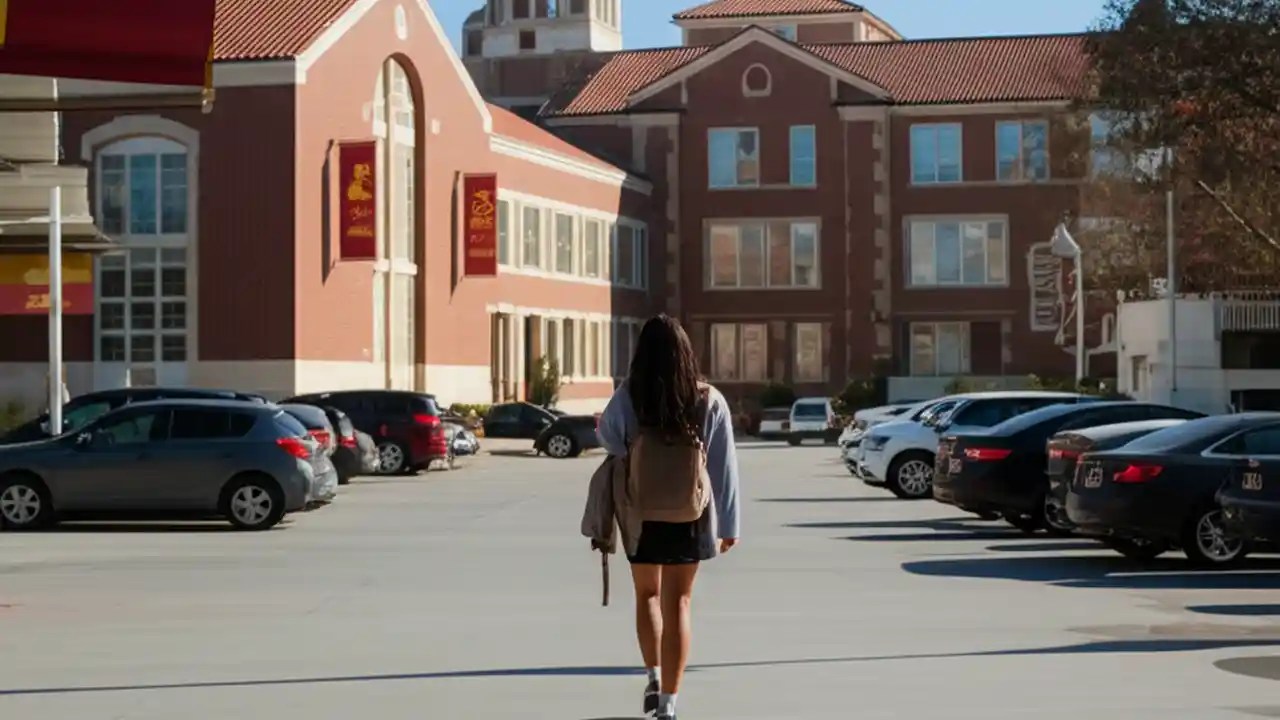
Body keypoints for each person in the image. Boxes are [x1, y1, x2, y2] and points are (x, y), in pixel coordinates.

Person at [598, 314, 741, 720]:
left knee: (647, 595)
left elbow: (608, 437)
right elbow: (722, 466)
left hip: (641, 511)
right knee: (680, 600)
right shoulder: (708, 399)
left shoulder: (628, 396)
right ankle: (669, 705)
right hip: (691, 513)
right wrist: (729, 526)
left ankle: (652, 675)